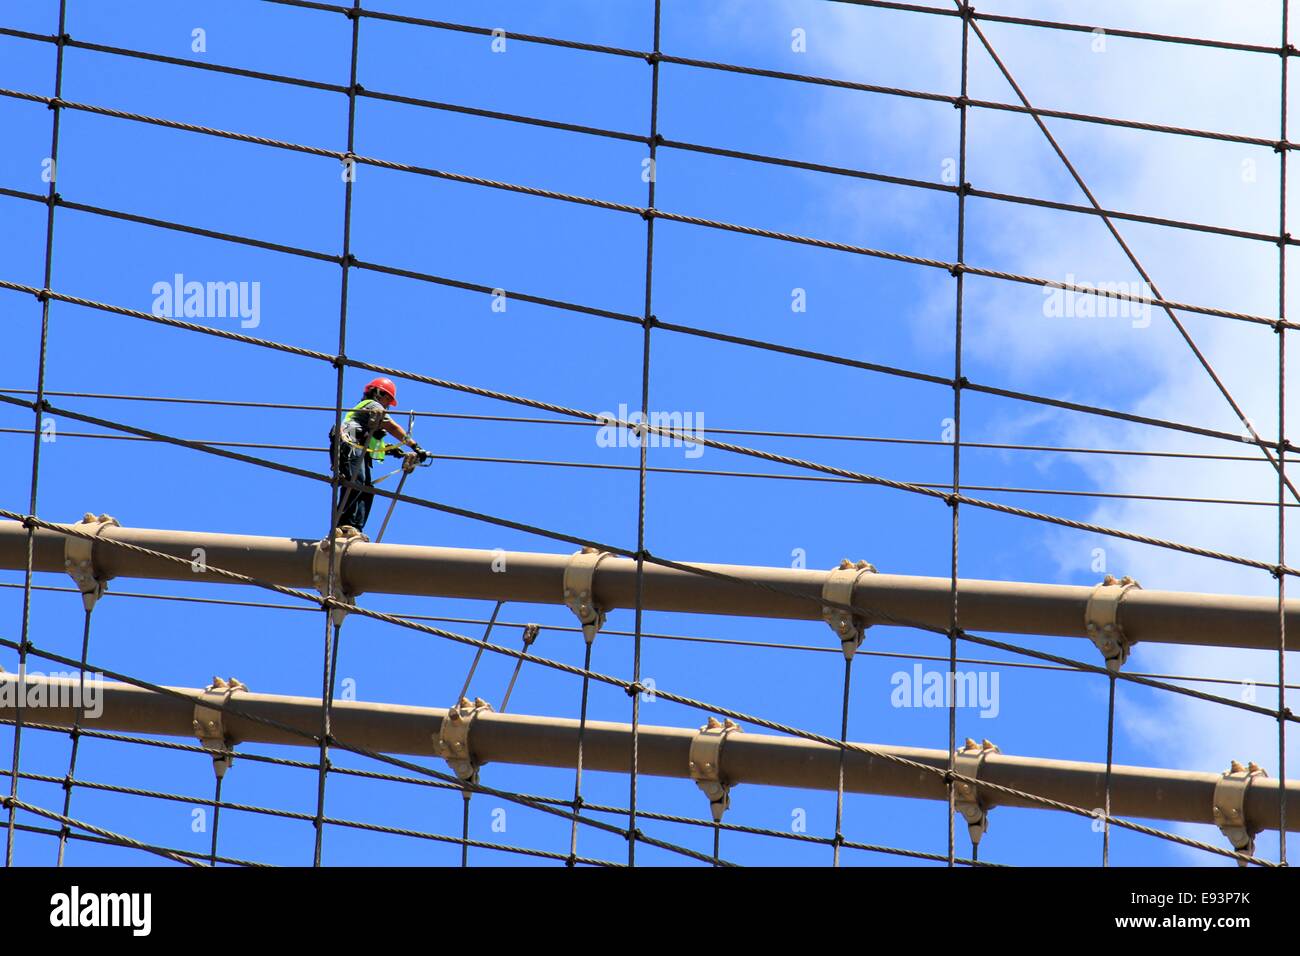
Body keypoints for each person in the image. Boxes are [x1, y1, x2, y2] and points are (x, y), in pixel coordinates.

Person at [330, 377, 428, 537]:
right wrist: (415, 446)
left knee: (367, 489)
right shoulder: (373, 406)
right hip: (348, 443)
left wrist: (392, 450)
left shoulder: (370, 420)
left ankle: (354, 528)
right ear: (377, 393)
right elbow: (392, 427)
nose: (388, 405)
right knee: (357, 480)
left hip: (357, 447)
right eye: (387, 399)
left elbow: (372, 444)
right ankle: (342, 524)